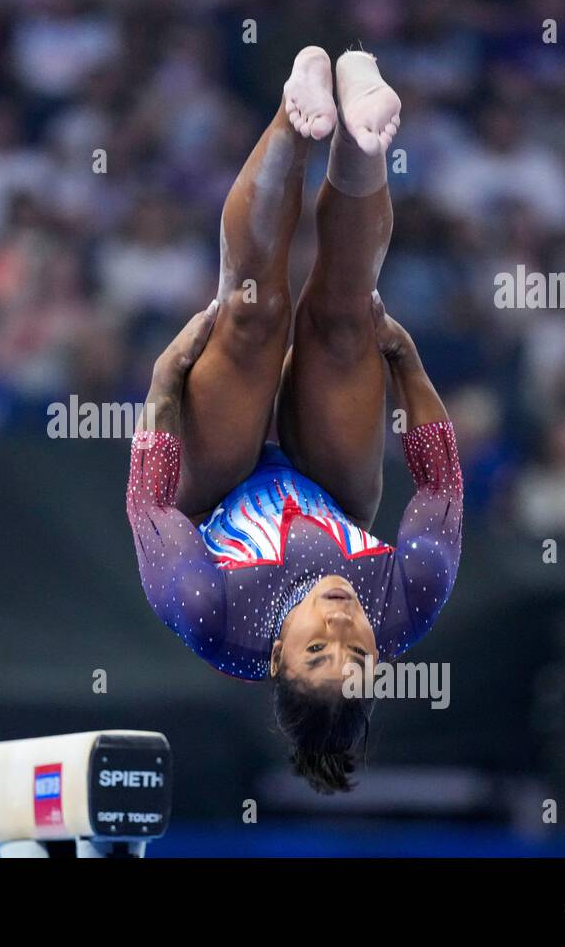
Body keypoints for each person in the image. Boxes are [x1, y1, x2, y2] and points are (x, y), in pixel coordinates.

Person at [125, 47, 463, 794]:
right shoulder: (410, 603)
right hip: (331, 484)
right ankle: (361, 145)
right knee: (346, 320)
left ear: (279, 658)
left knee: (251, 313)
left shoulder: (208, 612)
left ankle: (294, 116)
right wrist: (407, 365)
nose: (343, 630)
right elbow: (441, 488)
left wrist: (160, 390)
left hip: (214, 484)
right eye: (360, 657)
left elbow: (148, 506)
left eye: (319, 654)